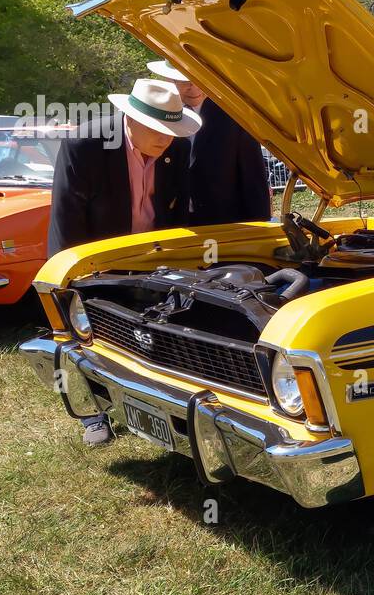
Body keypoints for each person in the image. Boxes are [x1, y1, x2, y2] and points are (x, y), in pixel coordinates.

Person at [48, 77, 201, 445]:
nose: (167, 137)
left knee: (146, 336)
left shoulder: (175, 150)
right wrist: (68, 278)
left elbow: (177, 210)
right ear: (130, 119)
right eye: (159, 129)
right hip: (93, 257)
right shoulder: (84, 145)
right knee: (84, 336)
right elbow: (66, 218)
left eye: (172, 129)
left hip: (152, 259)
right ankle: (92, 415)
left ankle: (156, 404)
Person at [148, 60, 271, 225]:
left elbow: (253, 177)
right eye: (185, 81)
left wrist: (260, 227)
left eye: (200, 79)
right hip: (174, 225)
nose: (194, 88)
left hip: (225, 223)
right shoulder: (158, 115)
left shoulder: (235, 116)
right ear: (170, 80)